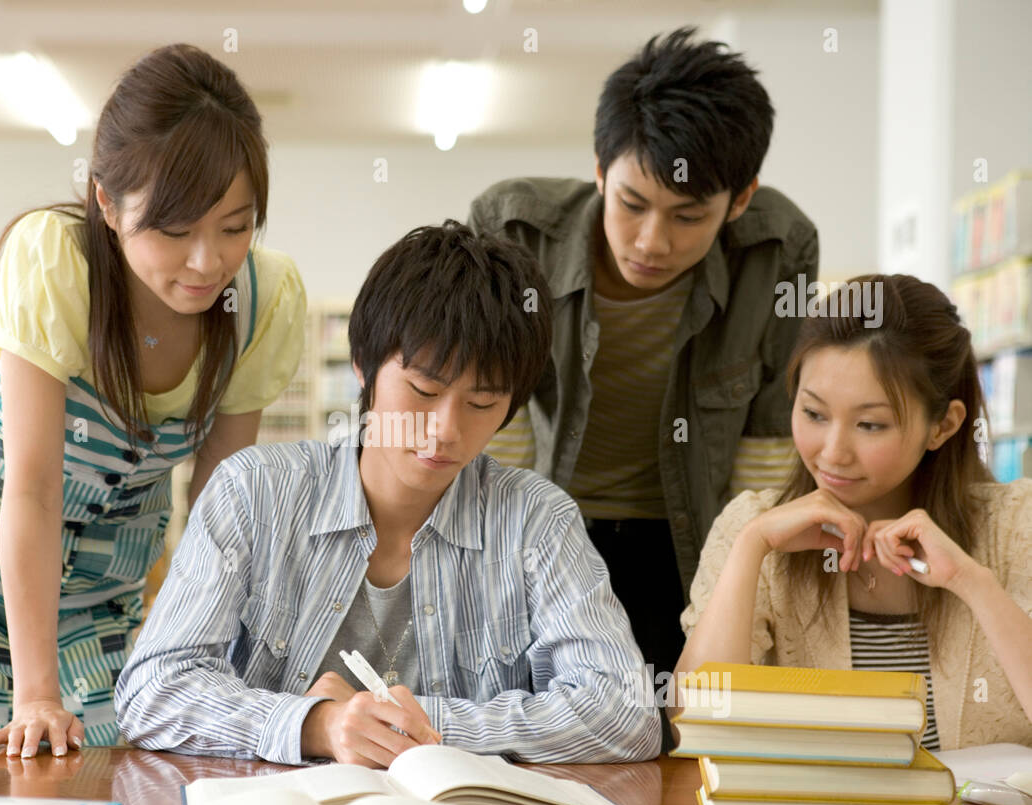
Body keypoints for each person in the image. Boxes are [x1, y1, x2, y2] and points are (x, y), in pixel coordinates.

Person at [0, 44, 307, 755]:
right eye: (175, 228)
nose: (206, 262)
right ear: (106, 200)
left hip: (102, 586)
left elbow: (217, 513)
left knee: (101, 784)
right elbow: (31, 488)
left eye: (234, 227)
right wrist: (36, 694)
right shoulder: (55, 262)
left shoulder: (262, 299)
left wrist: (203, 668)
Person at [115, 221, 661, 766]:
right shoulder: (254, 492)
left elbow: (627, 713)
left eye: (482, 402)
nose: (445, 429)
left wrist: (414, 721)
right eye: (424, 389)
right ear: (364, 365)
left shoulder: (536, 520)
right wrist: (317, 726)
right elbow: (151, 691)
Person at [467, 27, 818, 711]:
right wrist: (490, 568)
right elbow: (487, 413)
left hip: (690, 548)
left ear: (739, 200)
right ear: (600, 170)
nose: (652, 242)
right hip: (545, 536)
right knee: (529, 732)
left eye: (690, 217)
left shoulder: (779, 247)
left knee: (680, 741)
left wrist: (740, 580)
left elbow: (771, 435)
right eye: (631, 204)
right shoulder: (514, 230)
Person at [675, 275, 1032, 750]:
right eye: (815, 414)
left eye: (870, 424)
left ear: (942, 426)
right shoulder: (753, 525)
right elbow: (690, 723)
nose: (833, 452)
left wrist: (972, 581)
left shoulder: (1015, 524)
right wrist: (751, 547)